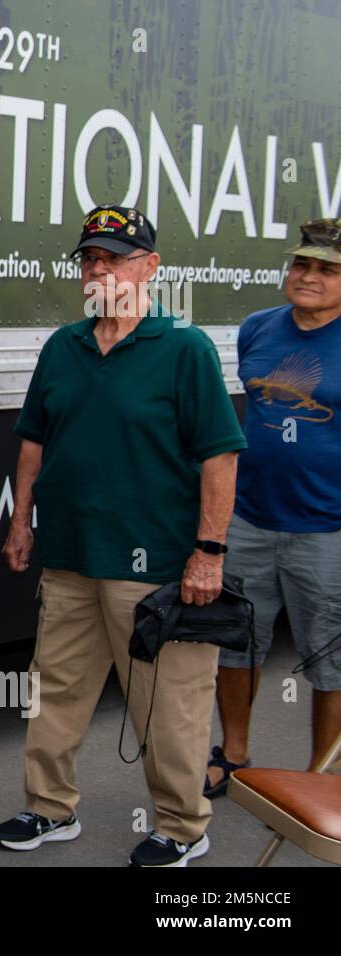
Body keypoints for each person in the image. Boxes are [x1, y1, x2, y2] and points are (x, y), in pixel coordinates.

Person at [0, 205, 246, 867]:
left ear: (150, 267)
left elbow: (220, 456)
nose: (99, 269)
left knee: (168, 708)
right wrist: (21, 521)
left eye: (114, 256)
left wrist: (208, 551)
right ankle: (49, 809)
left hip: (159, 568)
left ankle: (183, 826)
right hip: (72, 558)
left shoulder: (183, 349)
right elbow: (33, 442)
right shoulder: (64, 347)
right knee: (55, 695)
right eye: (90, 258)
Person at [204, 218, 341, 796]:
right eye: (301, 264)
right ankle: (234, 754)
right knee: (237, 643)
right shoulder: (258, 328)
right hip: (250, 518)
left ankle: (321, 780)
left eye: (327, 269)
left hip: (328, 530)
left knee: (329, 659)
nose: (308, 277)